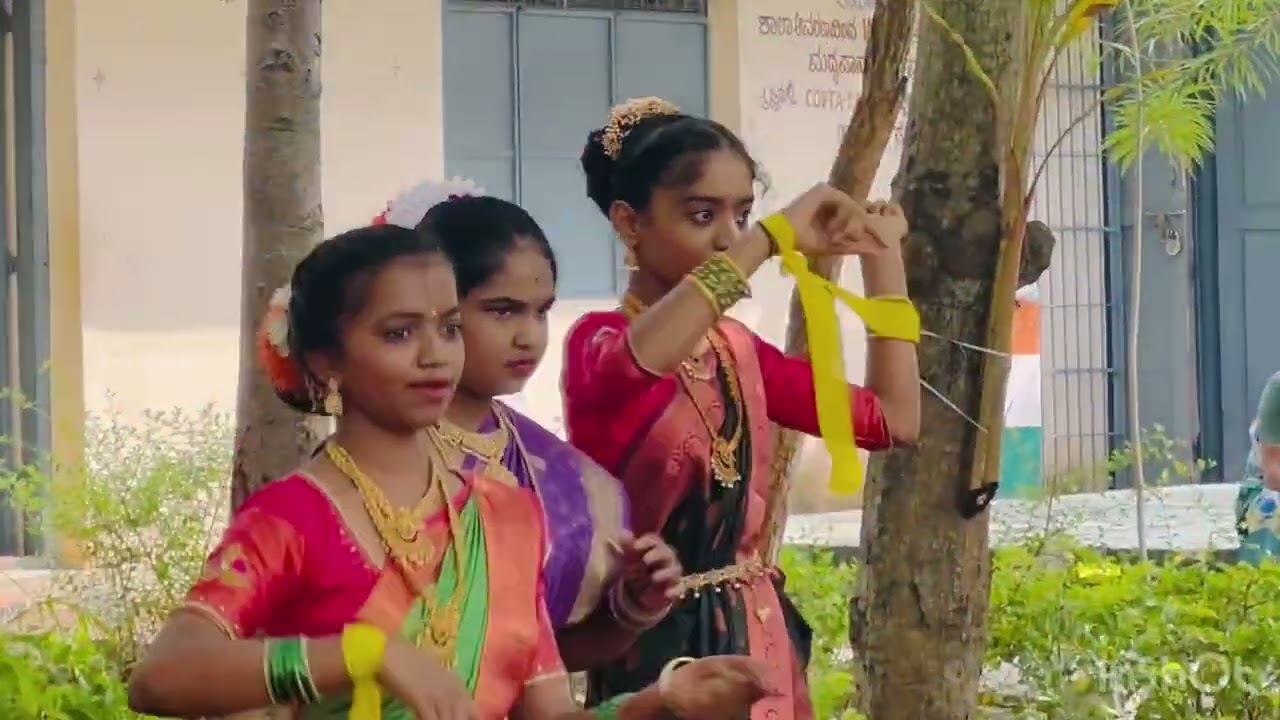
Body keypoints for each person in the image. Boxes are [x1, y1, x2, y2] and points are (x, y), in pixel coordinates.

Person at [126, 223, 775, 720]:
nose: (436, 356)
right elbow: (162, 677)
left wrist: (662, 701)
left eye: (449, 328)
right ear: (327, 362)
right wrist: (364, 654)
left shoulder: (508, 515)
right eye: (399, 334)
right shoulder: (291, 517)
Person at [562, 97, 921, 720]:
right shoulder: (598, 344)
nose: (728, 236)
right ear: (628, 223)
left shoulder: (737, 351)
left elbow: (893, 420)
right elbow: (643, 363)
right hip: (655, 648)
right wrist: (769, 239)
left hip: (760, 637)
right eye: (702, 215)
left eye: (743, 215)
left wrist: (883, 260)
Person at [371, 180, 677, 669]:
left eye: (541, 312)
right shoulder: (373, 457)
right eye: (502, 310)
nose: (529, 336)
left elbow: (546, 660)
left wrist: (632, 606)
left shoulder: (571, 481)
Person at [1236, 371, 1280, 564]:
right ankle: (1260, 586)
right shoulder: (1278, 388)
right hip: (1265, 489)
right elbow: (1274, 473)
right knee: (1272, 507)